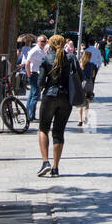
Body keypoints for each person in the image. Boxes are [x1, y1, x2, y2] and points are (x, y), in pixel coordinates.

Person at [36, 34, 78, 178]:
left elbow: (40, 82)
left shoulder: (46, 59)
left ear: (51, 44)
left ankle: (45, 162)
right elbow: (80, 77)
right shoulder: (71, 58)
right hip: (66, 98)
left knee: (43, 128)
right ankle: (55, 167)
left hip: (49, 96)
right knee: (59, 132)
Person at [23, 35, 48, 122]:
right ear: (38, 42)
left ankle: (28, 113)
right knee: (35, 95)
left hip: (38, 74)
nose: (44, 43)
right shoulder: (34, 50)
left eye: (45, 41)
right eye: (42, 41)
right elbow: (27, 63)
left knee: (32, 95)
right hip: (34, 74)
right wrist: (29, 74)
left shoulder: (43, 50)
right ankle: (31, 115)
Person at [76, 48, 98, 128]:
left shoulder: (80, 64)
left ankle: (80, 120)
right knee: (87, 103)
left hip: (82, 83)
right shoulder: (92, 65)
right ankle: (86, 118)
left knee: (80, 103)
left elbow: (77, 75)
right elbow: (93, 75)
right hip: (89, 84)